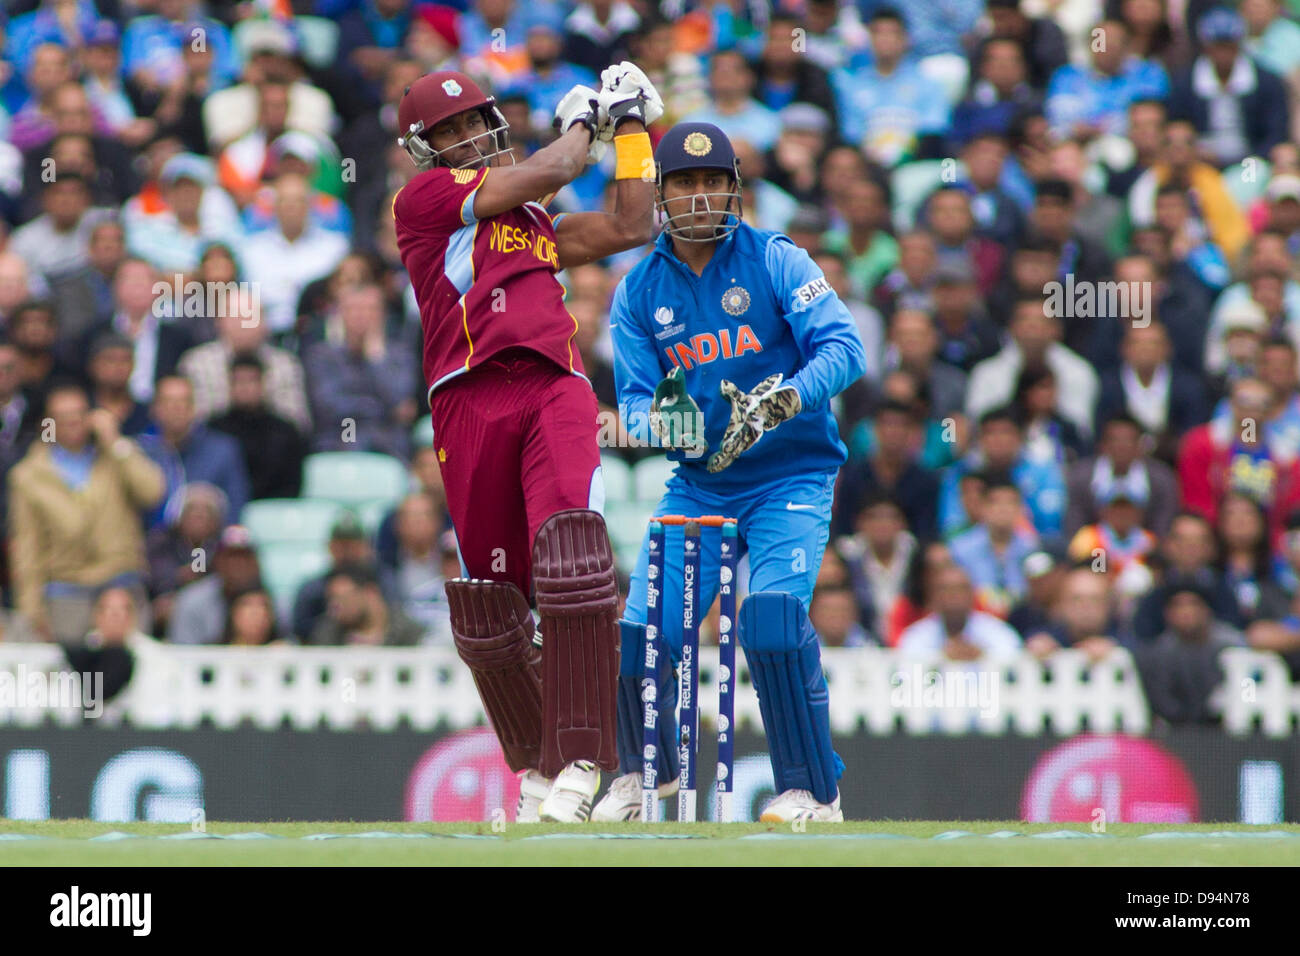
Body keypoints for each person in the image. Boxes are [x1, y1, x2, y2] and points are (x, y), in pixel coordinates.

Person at [392, 65, 659, 823]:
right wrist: (585, 126)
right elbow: (558, 165)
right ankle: (538, 767)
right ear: (429, 150)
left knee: (572, 558)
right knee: (490, 609)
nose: (467, 137)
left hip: (552, 387)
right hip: (466, 401)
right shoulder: (426, 199)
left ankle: (581, 757)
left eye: (475, 121)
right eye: (448, 132)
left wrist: (632, 130)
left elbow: (631, 225)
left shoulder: (535, 221)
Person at [598, 119, 867, 823]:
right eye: (684, 183)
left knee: (772, 620)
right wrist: (665, 423)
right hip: (701, 482)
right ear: (662, 192)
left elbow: (845, 349)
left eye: (712, 181)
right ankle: (639, 774)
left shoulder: (776, 259)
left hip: (791, 475)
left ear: (733, 190)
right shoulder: (637, 292)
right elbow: (631, 399)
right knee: (642, 627)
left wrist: (786, 398)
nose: (699, 196)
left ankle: (812, 791)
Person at [8, 383, 165, 642]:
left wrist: (115, 440)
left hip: (121, 582)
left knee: (133, 671)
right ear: (47, 424)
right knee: (72, 678)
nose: (73, 423)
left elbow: (153, 493)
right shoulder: (28, 476)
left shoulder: (116, 456)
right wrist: (32, 609)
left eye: (79, 414)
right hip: (65, 589)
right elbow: (27, 547)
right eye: (63, 417)